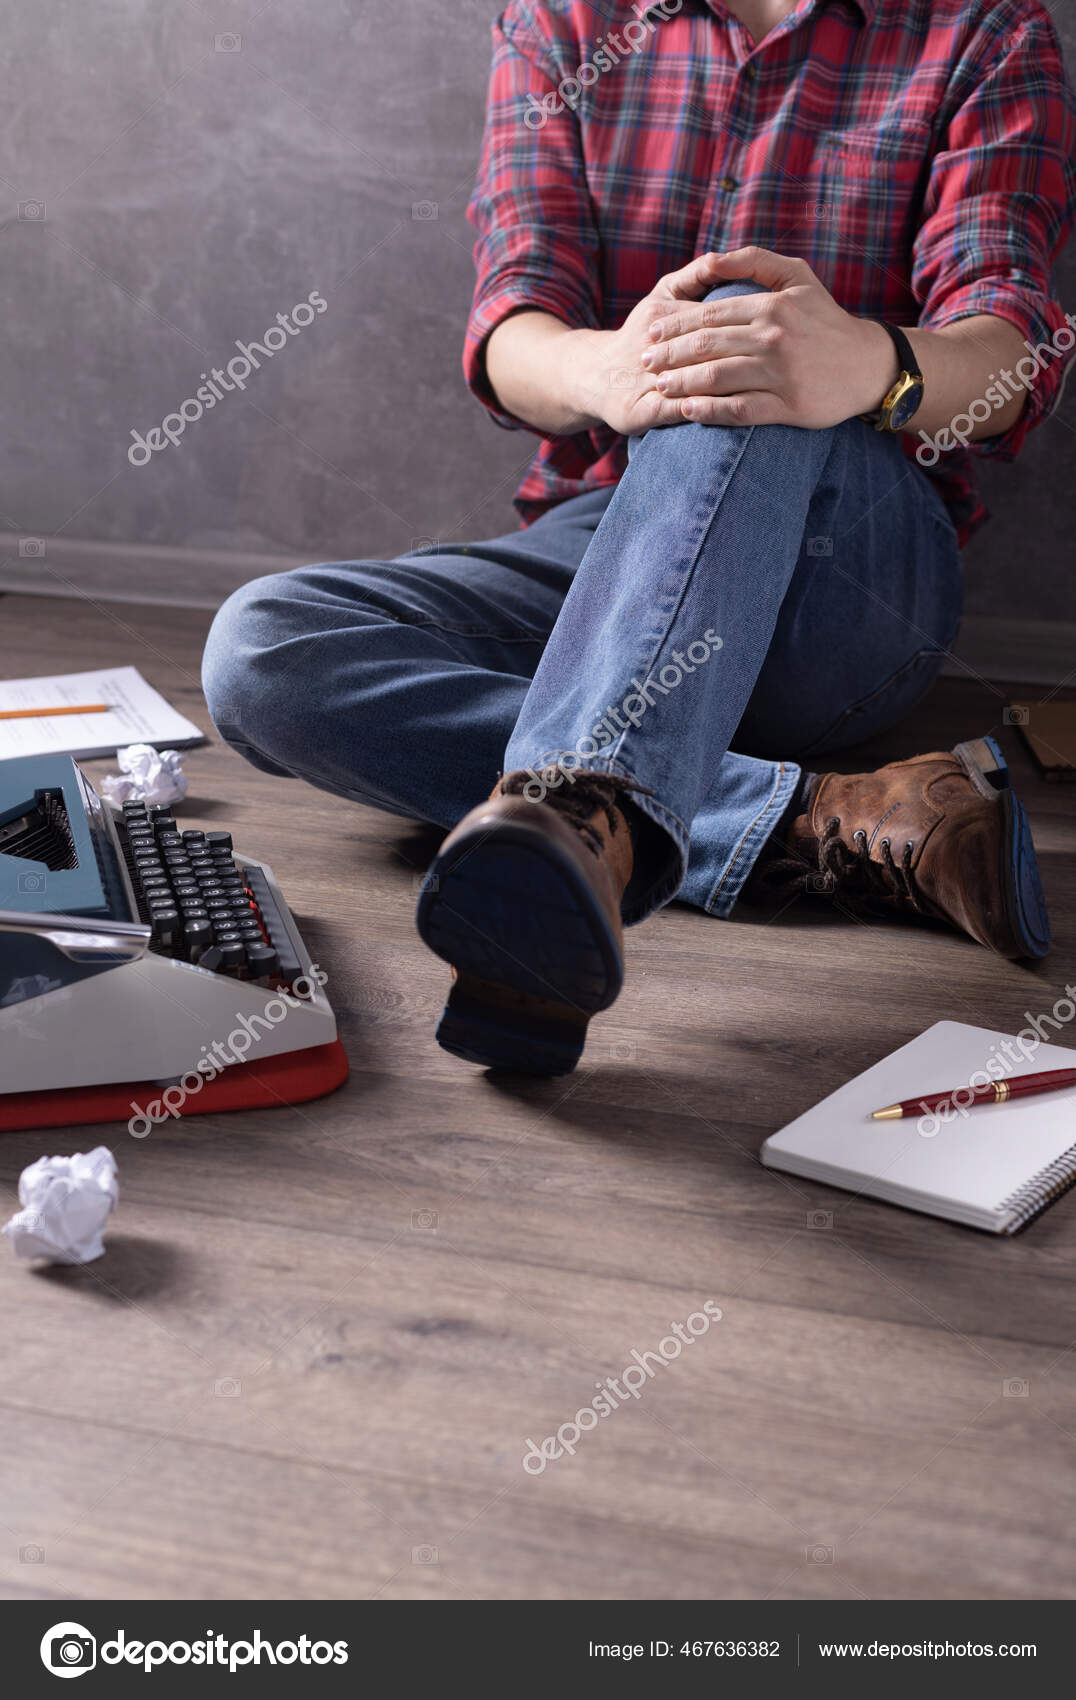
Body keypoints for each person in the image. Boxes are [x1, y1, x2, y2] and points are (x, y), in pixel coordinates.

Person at [203, 0, 1075, 1076]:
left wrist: (865, 362)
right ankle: (826, 818)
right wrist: (612, 370)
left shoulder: (979, 26)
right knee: (263, 650)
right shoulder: (561, 20)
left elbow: (1013, 347)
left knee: (742, 346)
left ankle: (581, 806)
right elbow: (513, 321)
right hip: (618, 541)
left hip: (846, 569)